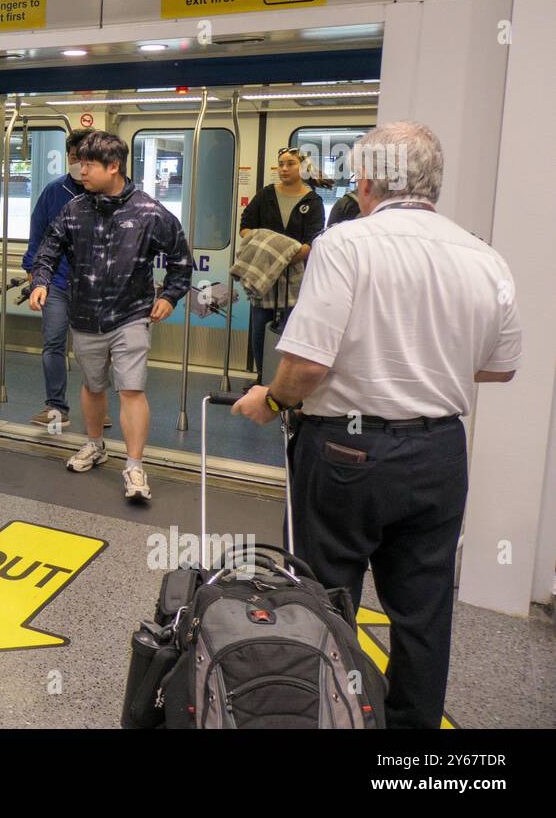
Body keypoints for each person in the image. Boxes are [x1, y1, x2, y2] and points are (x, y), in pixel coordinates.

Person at [231, 121, 522, 729]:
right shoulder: (483, 255)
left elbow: (306, 364)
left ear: (366, 181)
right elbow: (498, 370)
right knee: (423, 607)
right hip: (440, 452)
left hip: (345, 452)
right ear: (433, 184)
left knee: (322, 599)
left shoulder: (346, 244)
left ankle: (330, 714)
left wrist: (272, 401)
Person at [28, 131, 192, 501]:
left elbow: (182, 260)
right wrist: (40, 282)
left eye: (88, 164)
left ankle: (134, 466)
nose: (80, 170)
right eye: (79, 163)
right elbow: (48, 251)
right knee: (93, 386)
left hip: (131, 314)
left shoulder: (150, 212)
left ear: (113, 166)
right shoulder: (75, 210)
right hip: (84, 314)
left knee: (131, 388)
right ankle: (95, 445)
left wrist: (170, 295)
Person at [21, 127, 96, 429]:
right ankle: (56, 407)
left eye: (84, 158)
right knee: (53, 343)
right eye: (73, 157)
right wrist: (34, 274)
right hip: (56, 281)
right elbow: (37, 235)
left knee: (92, 350)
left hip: (92, 287)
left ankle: (96, 405)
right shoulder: (54, 192)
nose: (78, 164)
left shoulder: (108, 194)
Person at [238, 146, 325, 386]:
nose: (284, 169)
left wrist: (284, 256)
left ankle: (285, 383)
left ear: (303, 167)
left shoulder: (313, 201)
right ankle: (262, 377)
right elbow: (245, 228)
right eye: (281, 164)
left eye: (291, 163)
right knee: (258, 328)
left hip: (296, 277)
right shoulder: (265, 195)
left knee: (291, 328)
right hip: (262, 272)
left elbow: (312, 241)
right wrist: (270, 250)